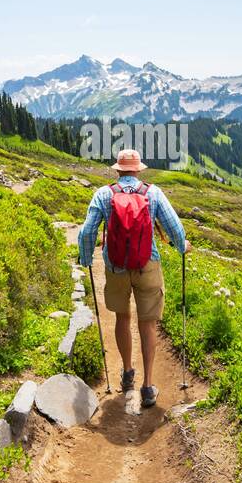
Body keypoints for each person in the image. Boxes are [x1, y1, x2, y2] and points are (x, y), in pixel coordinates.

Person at [77, 148, 190, 408]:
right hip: (147, 264)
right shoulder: (153, 192)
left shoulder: (104, 194)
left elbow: (86, 233)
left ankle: (127, 373)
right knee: (148, 324)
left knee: (122, 317)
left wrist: (85, 260)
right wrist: (182, 246)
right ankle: (148, 386)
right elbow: (174, 228)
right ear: (139, 170)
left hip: (116, 267)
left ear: (117, 170)